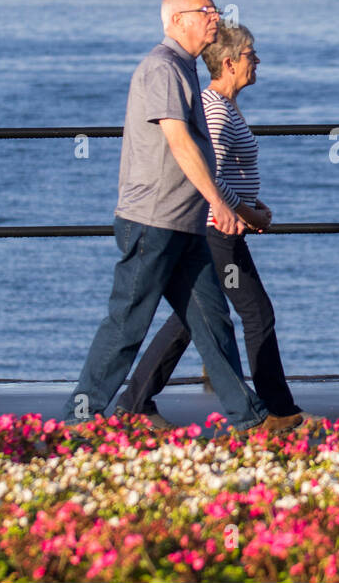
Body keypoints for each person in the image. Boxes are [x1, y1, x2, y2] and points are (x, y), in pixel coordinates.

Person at [62, 0, 297, 434]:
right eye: (206, 9)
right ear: (177, 20)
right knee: (127, 322)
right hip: (152, 221)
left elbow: (202, 152)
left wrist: (228, 203)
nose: (216, 16)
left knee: (212, 323)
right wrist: (220, 202)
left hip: (184, 223)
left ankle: (250, 420)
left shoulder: (185, 69)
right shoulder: (161, 67)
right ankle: (79, 418)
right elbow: (179, 141)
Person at [115, 23, 317, 427]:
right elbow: (208, 171)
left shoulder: (225, 105)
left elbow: (225, 168)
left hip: (220, 225)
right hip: (216, 229)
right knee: (256, 313)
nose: (256, 61)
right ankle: (278, 411)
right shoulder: (215, 108)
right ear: (228, 62)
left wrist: (250, 202)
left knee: (193, 319)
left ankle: (135, 401)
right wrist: (246, 211)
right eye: (250, 55)